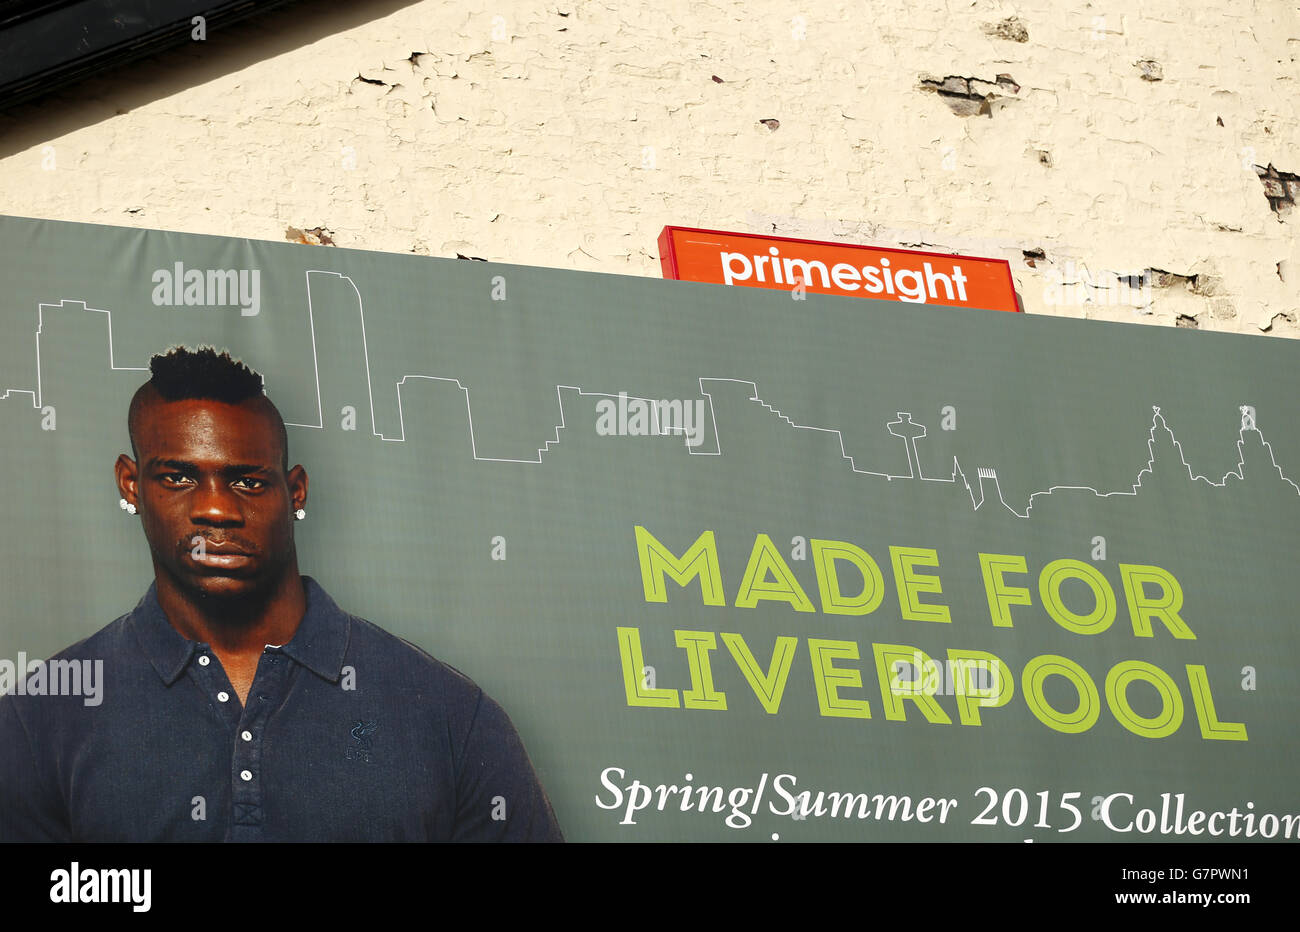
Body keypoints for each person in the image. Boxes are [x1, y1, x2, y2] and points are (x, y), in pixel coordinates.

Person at [0, 346, 562, 841]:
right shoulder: (41, 718)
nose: (216, 508)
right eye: (178, 477)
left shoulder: (449, 714)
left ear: (294, 491)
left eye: (247, 480)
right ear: (131, 483)